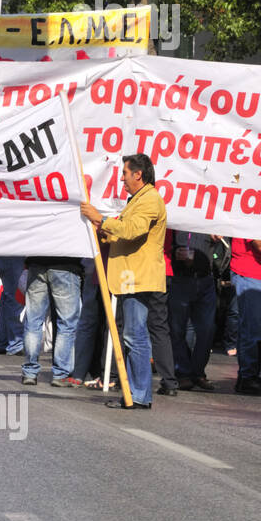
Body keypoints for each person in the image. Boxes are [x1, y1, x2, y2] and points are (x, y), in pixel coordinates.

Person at [81, 153, 175, 409]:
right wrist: (103, 229)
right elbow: (124, 232)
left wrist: (100, 219)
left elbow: (132, 230)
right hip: (131, 278)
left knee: (136, 337)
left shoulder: (150, 200)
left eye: (124, 173)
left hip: (139, 278)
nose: (121, 179)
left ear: (138, 174)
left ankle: (140, 394)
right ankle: (134, 392)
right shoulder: (139, 200)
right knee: (133, 336)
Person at [167, 230, 220, 391]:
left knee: (207, 329)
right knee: (177, 329)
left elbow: (226, 247)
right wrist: (175, 251)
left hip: (205, 278)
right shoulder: (177, 215)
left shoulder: (212, 213)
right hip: (180, 278)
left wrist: (219, 237)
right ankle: (183, 373)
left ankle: (197, 372)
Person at [20, 254, 84, 386]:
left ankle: (30, 372)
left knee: (33, 321)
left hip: (37, 263)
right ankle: (60, 374)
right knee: (66, 324)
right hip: (66, 265)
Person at [229, 237, 261, 395]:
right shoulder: (256, 216)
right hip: (251, 273)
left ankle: (253, 377)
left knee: (259, 329)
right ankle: (248, 377)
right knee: (253, 328)